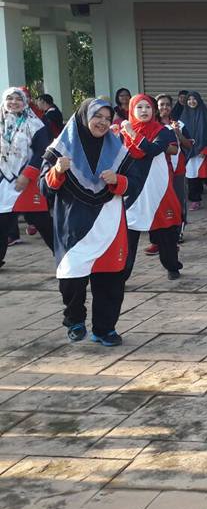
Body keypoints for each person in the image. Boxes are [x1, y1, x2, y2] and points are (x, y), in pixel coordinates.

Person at [41, 98, 140, 346]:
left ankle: (105, 329)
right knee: (71, 280)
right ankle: (74, 321)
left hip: (109, 223)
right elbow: (44, 188)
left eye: (108, 119)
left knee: (110, 280)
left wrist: (118, 180)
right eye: (98, 117)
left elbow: (135, 182)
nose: (103, 123)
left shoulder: (117, 149)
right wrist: (57, 172)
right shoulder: (60, 148)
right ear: (84, 117)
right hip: (74, 225)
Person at [118, 94, 183, 281]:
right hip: (133, 189)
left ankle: (172, 266)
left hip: (158, 188)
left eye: (147, 107)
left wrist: (131, 133)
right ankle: (121, 276)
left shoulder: (162, 131)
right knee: (129, 235)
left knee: (166, 232)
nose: (144, 111)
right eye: (139, 107)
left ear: (154, 110)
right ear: (131, 110)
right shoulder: (121, 133)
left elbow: (152, 150)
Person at [0, 87, 54, 269]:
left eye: (18, 99)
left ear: (25, 102)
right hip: (3, 183)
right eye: (9, 98)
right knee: (1, 224)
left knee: (43, 223)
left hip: (27, 184)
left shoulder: (35, 125)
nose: (13, 102)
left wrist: (28, 174)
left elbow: (43, 152)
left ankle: (64, 256)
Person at [156, 94, 191, 245]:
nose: (164, 108)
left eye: (167, 105)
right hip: (158, 169)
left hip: (178, 168)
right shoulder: (152, 125)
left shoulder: (179, 124)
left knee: (178, 198)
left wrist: (178, 132)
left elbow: (188, 145)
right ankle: (160, 232)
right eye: (161, 104)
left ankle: (179, 230)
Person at [180, 91, 207, 210]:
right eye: (189, 99)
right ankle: (195, 201)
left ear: (199, 100)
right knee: (192, 178)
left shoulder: (206, 115)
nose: (191, 101)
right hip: (190, 153)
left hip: (205, 152)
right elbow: (181, 136)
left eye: (194, 99)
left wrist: (206, 149)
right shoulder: (183, 117)